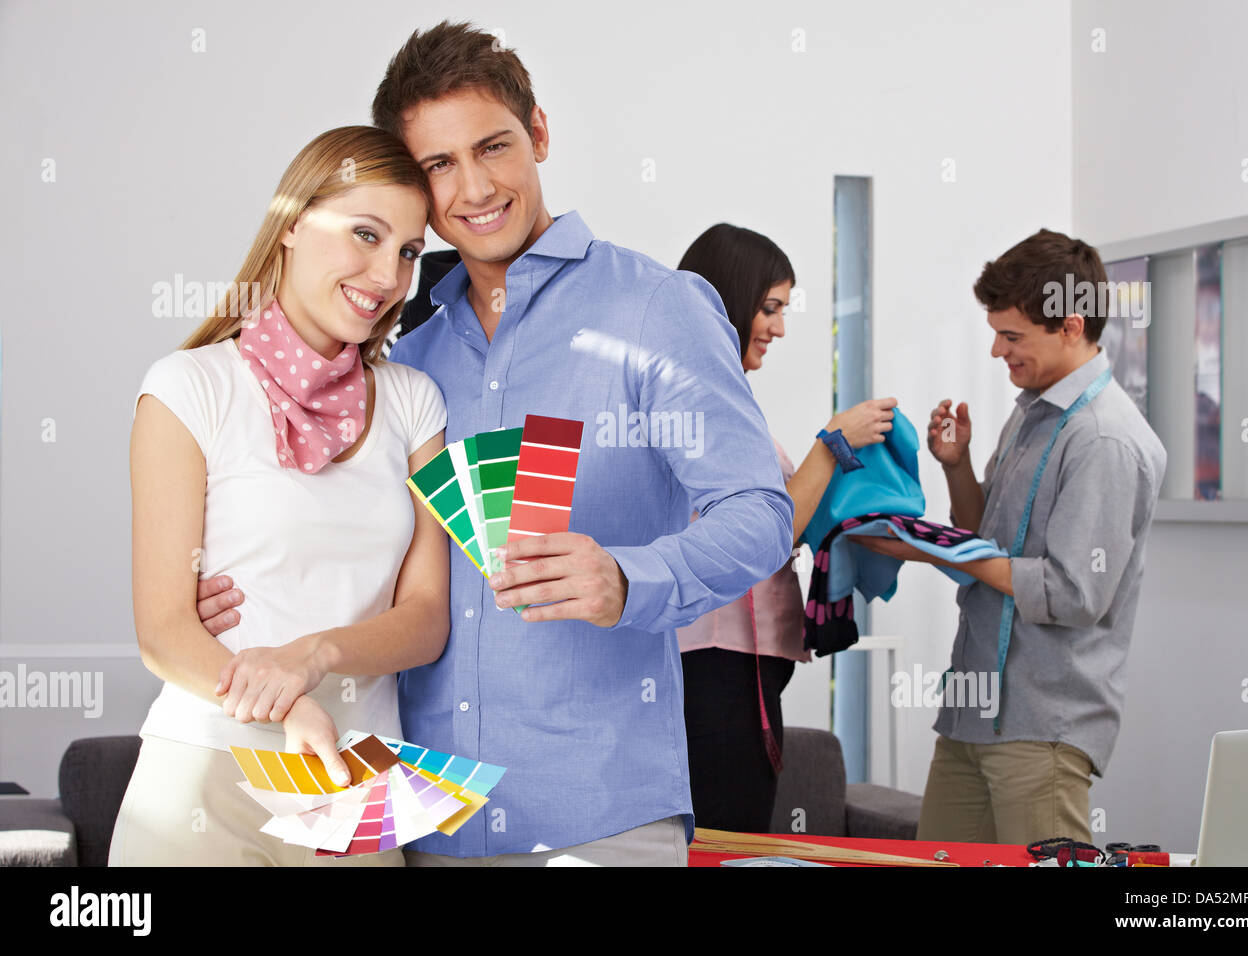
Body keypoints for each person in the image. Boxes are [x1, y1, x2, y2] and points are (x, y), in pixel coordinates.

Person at [195, 21, 794, 866]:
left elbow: (760, 513)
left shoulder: (656, 308)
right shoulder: (410, 358)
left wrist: (629, 576)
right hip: (427, 817)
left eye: (494, 147)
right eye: (439, 165)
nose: (473, 188)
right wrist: (231, 591)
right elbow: (371, 559)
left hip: (600, 816)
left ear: (539, 133)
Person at [110, 126, 452, 866]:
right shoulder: (188, 387)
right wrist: (291, 702)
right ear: (292, 223)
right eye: (364, 234)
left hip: (354, 785)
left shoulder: (413, 402)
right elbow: (164, 629)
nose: (387, 275)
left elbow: (426, 619)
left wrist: (313, 656)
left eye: (407, 251)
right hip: (205, 778)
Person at [855, 229, 1166, 845]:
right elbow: (986, 538)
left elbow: (1073, 593)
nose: (997, 350)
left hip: (1044, 725)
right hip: (974, 713)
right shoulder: (1033, 410)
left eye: (1013, 335)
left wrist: (928, 549)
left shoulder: (1104, 439)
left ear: (1071, 326)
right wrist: (956, 464)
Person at [674, 224, 896, 832]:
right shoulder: (691, 401)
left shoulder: (719, 397)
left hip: (732, 668)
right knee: (727, 837)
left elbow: (775, 527)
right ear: (727, 299)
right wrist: (831, 446)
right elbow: (753, 534)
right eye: (770, 308)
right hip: (716, 671)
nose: (778, 327)